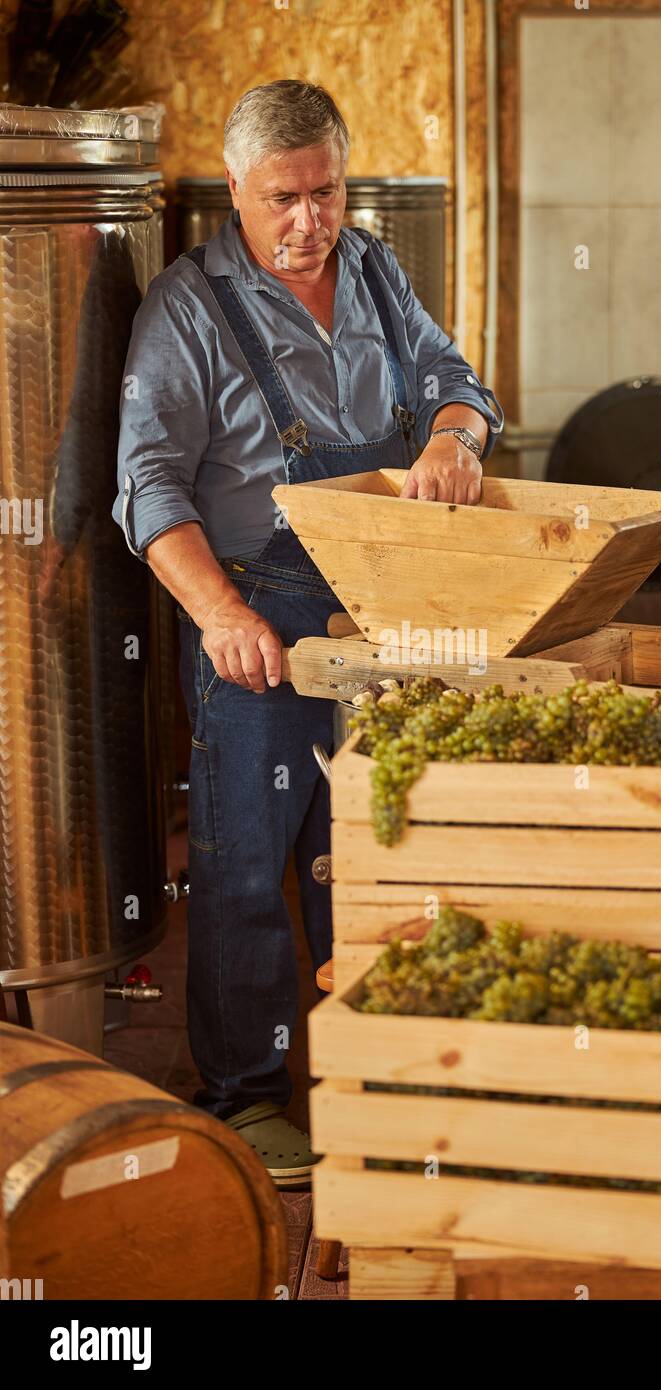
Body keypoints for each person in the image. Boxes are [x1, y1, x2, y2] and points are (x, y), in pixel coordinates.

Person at [113, 79, 504, 1186]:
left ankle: (374, 1074)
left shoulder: (374, 265)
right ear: (234, 188)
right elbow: (146, 490)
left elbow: (450, 376)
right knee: (244, 864)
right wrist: (222, 617)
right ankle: (245, 1098)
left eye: (325, 191)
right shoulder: (185, 310)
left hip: (388, 604)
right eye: (282, 197)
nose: (309, 221)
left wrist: (453, 437)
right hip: (263, 617)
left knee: (374, 850)